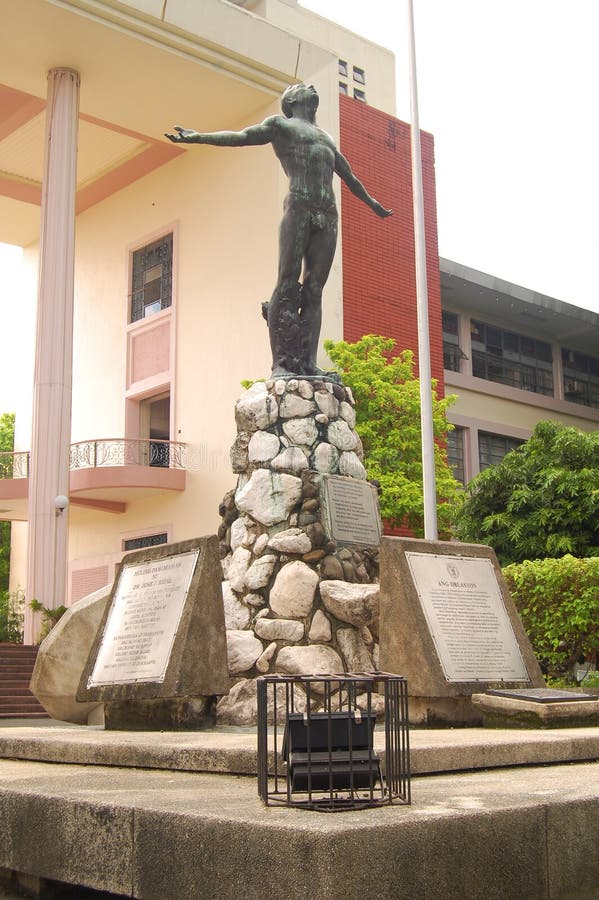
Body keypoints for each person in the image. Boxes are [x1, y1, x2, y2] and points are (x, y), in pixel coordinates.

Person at [166, 83, 392, 377]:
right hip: (298, 207)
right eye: (302, 87)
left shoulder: (327, 138)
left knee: (315, 290)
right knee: (287, 282)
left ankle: (308, 363)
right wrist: (199, 137)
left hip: (327, 213)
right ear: (292, 100)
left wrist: (372, 203)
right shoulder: (280, 126)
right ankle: (282, 364)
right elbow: (242, 137)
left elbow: (350, 177)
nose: (310, 86)